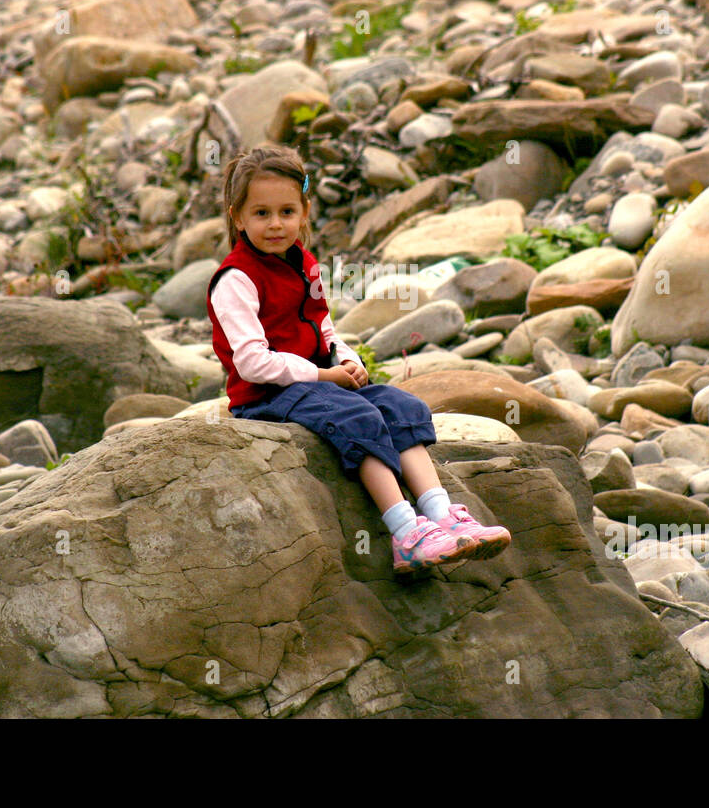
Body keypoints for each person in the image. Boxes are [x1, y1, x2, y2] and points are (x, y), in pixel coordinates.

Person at [205, 143, 512, 575]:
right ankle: (405, 532)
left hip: (314, 381)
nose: (276, 224)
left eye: (287, 211)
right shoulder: (235, 279)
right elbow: (253, 362)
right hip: (266, 396)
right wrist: (323, 374)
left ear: (305, 211)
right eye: (261, 214)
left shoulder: (304, 264)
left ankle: (442, 514)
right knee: (356, 416)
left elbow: (322, 328)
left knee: (401, 407)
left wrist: (345, 360)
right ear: (238, 217)